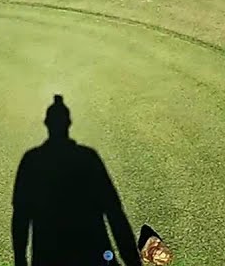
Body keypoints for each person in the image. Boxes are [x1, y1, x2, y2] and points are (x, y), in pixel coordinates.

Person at [12, 95, 142, 266]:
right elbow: (114, 213)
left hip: (48, 257)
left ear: (46, 123)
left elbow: (21, 217)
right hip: (94, 256)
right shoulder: (88, 158)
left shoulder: (32, 161)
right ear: (69, 123)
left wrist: (20, 261)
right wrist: (132, 260)